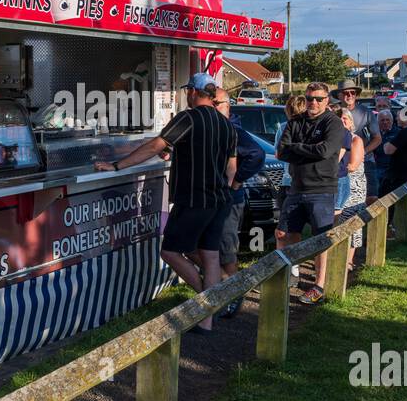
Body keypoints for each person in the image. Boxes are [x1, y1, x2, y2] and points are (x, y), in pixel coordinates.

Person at [95, 73, 236, 332]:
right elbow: (230, 166)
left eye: (187, 91)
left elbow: (153, 146)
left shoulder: (188, 118)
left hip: (193, 198)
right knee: (211, 256)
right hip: (219, 199)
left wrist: (116, 165)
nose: (187, 95)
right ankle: (207, 320)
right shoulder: (225, 124)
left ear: (193, 92)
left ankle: (210, 300)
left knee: (170, 252)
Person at [276, 82, 347, 304]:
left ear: (327, 100)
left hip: (322, 189)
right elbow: (281, 151)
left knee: (320, 239)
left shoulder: (333, 123)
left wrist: (296, 148)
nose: (313, 103)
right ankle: (292, 275)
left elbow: (326, 151)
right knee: (286, 234)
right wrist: (309, 150)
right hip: (296, 188)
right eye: (309, 99)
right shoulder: (295, 121)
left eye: (318, 99)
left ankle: (320, 284)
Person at [212, 88, 266, 317]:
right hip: (214, 198)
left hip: (230, 200)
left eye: (218, 104)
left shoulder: (232, 130)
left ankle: (235, 294)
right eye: (211, 103)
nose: (214, 108)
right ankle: (223, 291)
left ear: (228, 106)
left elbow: (257, 154)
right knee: (210, 248)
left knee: (226, 249)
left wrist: (237, 181)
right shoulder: (214, 128)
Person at [335, 108, 368, 273]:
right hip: (338, 185)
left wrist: (331, 167)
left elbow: (353, 166)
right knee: (336, 223)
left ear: (350, 122)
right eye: (339, 118)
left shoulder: (356, 140)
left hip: (354, 187)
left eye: (345, 119)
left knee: (352, 224)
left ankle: (348, 261)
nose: (342, 121)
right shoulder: (334, 139)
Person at [380, 106, 407, 197]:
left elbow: (388, 150)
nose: (396, 118)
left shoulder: (406, 132)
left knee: (383, 201)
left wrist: (385, 141)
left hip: (400, 178)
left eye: (398, 116)